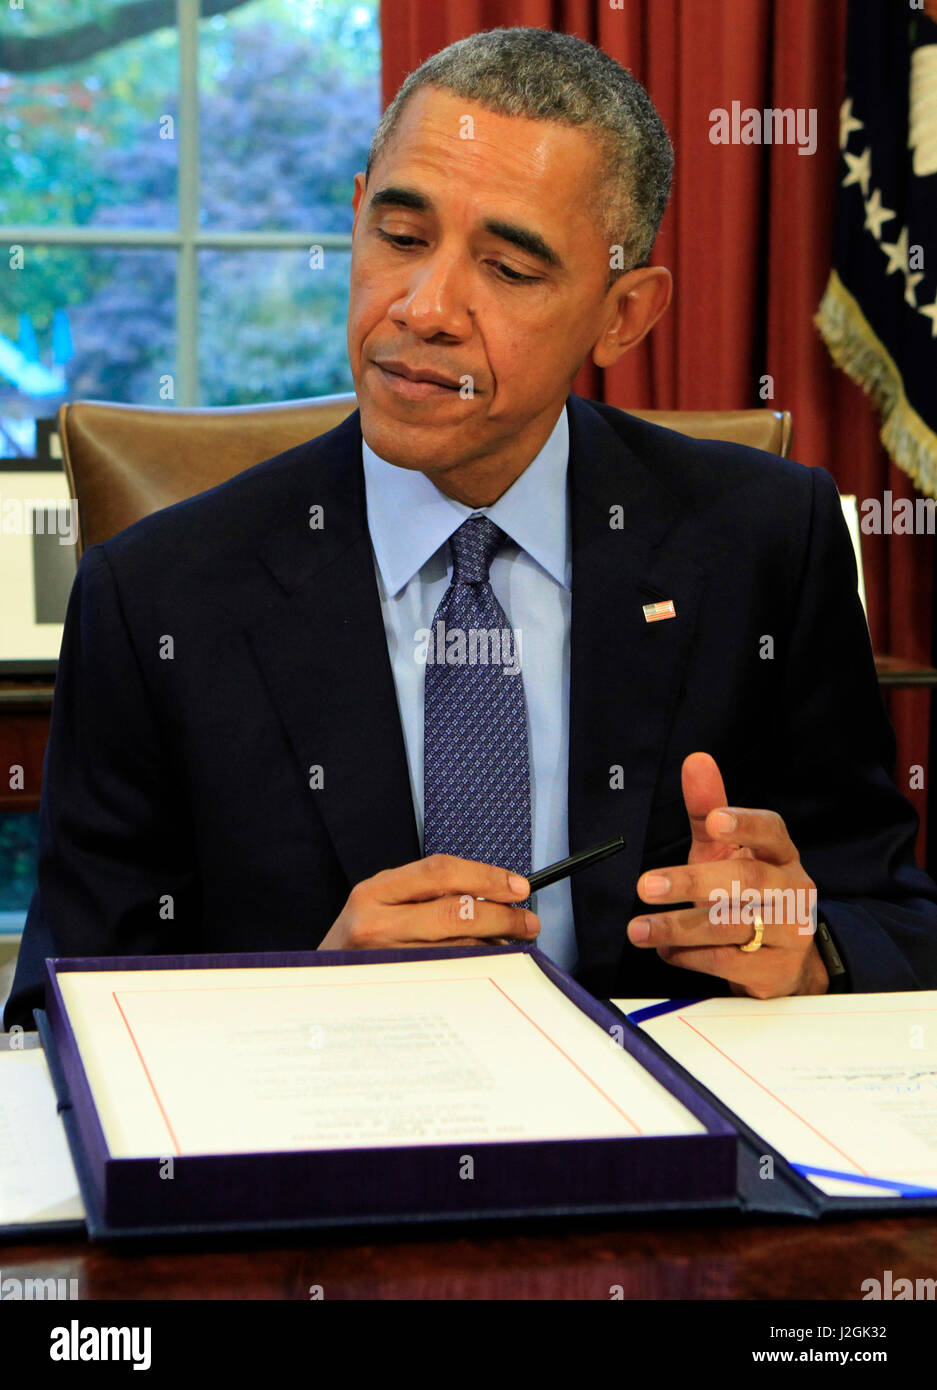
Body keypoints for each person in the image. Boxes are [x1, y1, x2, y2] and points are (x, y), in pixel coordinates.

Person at [6, 26, 937, 1032]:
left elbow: (894, 917)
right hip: (321, 1157)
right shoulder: (156, 596)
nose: (424, 306)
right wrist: (296, 997)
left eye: (506, 268)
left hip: (673, 1154)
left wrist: (805, 949)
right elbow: (55, 1018)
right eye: (399, 237)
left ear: (623, 314)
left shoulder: (765, 541)